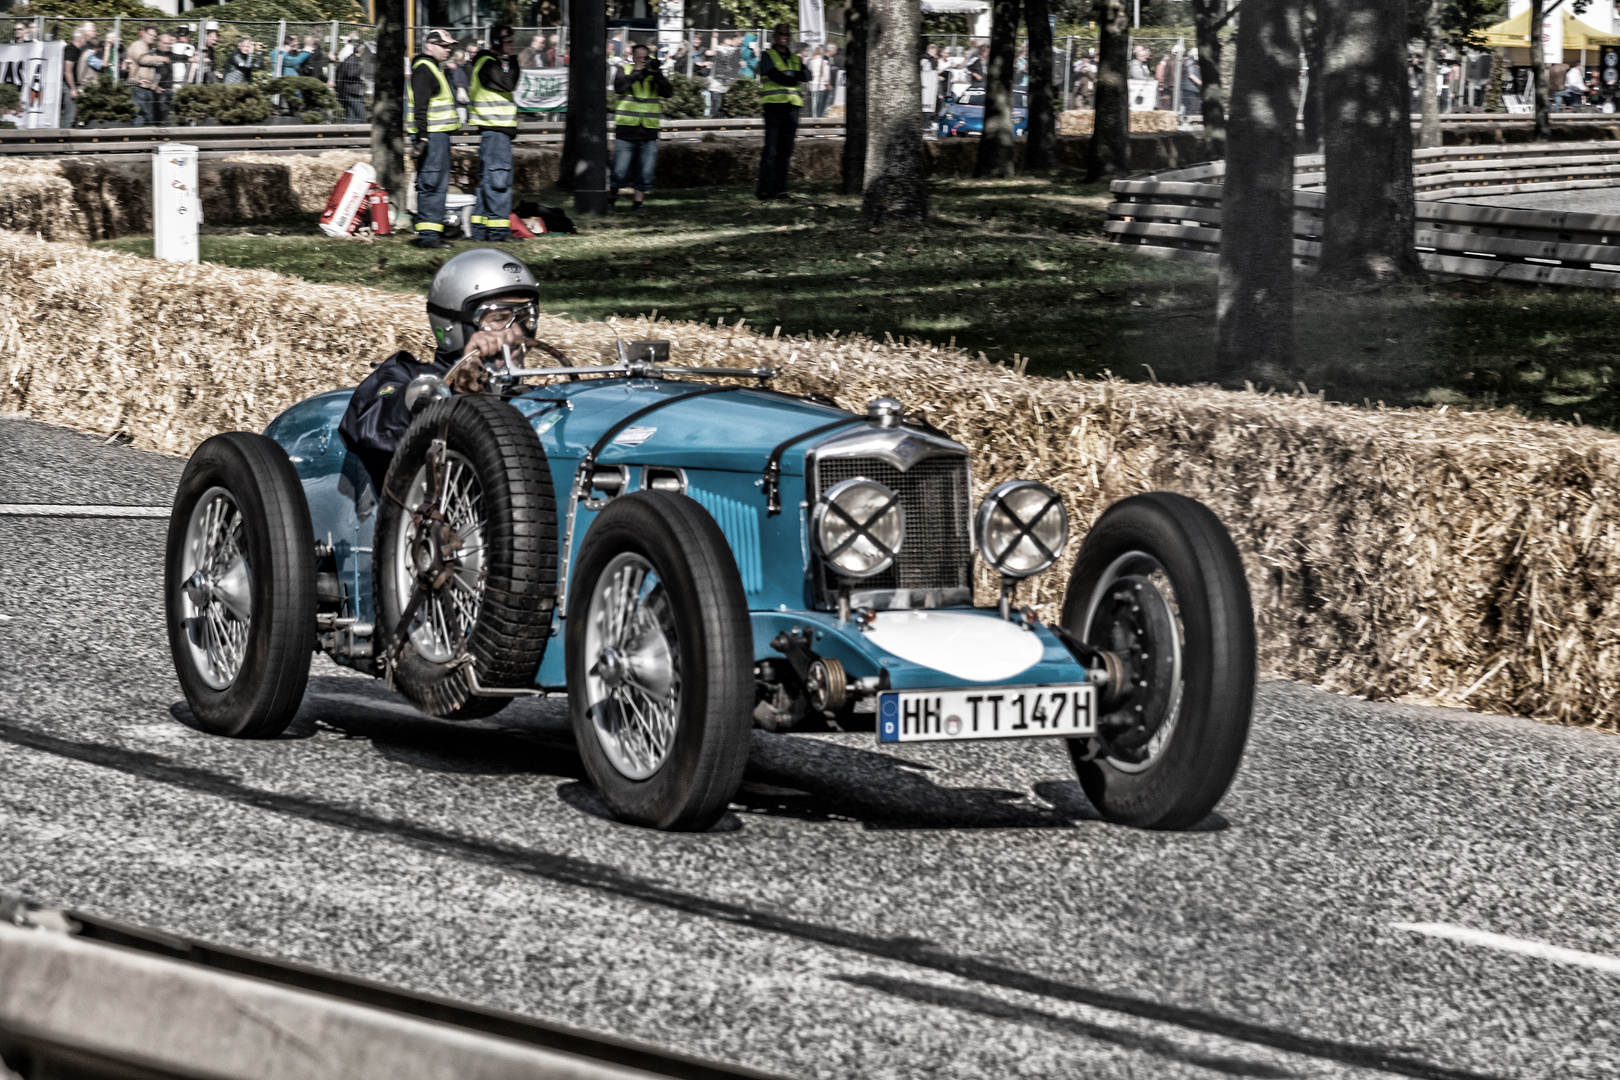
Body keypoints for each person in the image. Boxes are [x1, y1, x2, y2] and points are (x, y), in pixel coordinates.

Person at [340, 249, 542, 491]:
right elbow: (372, 431)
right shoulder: (407, 376)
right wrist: (455, 389)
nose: (517, 334)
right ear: (452, 323)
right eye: (500, 317)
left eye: (524, 317)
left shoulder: (534, 396)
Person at [407, 28, 460, 248]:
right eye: (443, 46)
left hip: (438, 135)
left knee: (437, 184)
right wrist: (424, 138)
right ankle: (428, 237)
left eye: (449, 47)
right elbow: (421, 108)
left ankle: (432, 233)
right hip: (432, 136)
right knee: (431, 183)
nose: (448, 50)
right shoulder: (424, 70)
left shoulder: (433, 69)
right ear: (428, 45)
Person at [469, 25, 519, 241]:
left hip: (495, 132)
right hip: (495, 131)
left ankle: (481, 230)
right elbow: (510, 83)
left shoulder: (489, 63)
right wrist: (514, 59)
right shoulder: (488, 64)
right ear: (497, 43)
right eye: (508, 42)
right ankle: (498, 231)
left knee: (488, 181)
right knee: (499, 180)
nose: (512, 46)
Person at [610, 42, 672, 212]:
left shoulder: (654, 73)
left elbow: (668, 92)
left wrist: (657, 74)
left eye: (646, 58)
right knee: (620, 171)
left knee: (645, 171)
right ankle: (611, 199)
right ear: (633, 58)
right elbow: (619, 88)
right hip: (627, 129)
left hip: (648, 130)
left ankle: (638, 204)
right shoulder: (625, 70)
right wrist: (637, 71)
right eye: (640, 58)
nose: (644, 61)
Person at [756, 23, 808, 201]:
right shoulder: (767, 56)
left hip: (792, 108)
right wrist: (794, 76)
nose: (784, 37)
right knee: (771, 151)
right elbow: (775, 76)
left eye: (787, 34)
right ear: (774, 36)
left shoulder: (794, 57)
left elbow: (807, 76)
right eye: (781, 34)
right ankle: (764, 190)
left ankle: (780, 190)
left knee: (785, 152)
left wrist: (789, 74)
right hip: (774, 108)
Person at [127, 26, 164, 127]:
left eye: (154, 36)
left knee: (148, 116)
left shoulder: (150, 49)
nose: (153, 38)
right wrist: (161, 58)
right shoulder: (137, 46)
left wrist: (154, 85)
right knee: (141, 115)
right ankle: (137, 139)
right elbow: (142, 59)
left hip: (148, 87)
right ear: (144, 33)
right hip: (139, 86)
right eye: (150, 35)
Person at [334, 33, 369, 123]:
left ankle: (349, 134)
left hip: (350, 90)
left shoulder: (351, 59)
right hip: (353, 92)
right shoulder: (352, 59)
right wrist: (362, 68)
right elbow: (350, 73)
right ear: (360, 50)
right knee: (362, 116)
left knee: (352, 116)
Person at [706, 30, 741, 117]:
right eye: (726, 45)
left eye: (730, 46)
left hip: (727, 84)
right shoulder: (718, 53)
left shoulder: (734, 55)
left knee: (725, 107)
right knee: (715, 105)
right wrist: (714, 37)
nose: (727, 48)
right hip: (715, 83)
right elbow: (714, 50)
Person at [61, 24, 86, 128]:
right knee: (70, 114)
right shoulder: (70, 50)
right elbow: (67, 71)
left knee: (75, 115)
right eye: (84, 37)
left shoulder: (79, 51)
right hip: (68, 86)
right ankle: (65, 138)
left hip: (74, 86)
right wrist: (73, 89)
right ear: (79, 38)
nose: (86, 40)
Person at [806, 44, 830, 118]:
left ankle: (811, 119)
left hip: (811, 86)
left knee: (812, 106)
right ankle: (818, 121)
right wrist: (827, 83)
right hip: (821, 86)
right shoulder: (823, 62)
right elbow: (826, 75)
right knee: (819, 107)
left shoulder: (810, 61)